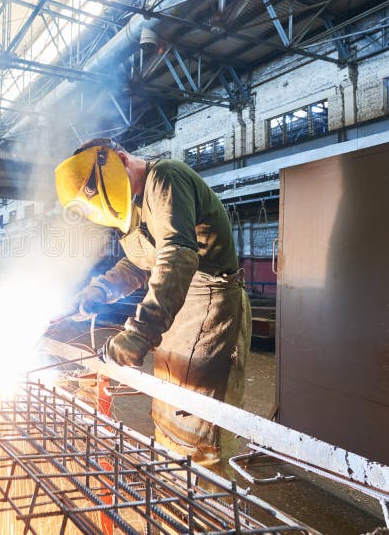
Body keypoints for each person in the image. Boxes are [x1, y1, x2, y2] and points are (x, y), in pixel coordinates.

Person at [54, 138, 251, 470]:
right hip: (179, 311)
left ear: (121, 159)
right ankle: (179, 497)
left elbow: (177, 256)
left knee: (199, 427)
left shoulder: (165, 179)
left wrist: (139, 332)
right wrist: (99, 290)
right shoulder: (134, 208)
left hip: (210, 308)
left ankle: (209, 507)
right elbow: (138, 265)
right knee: (171, 413)